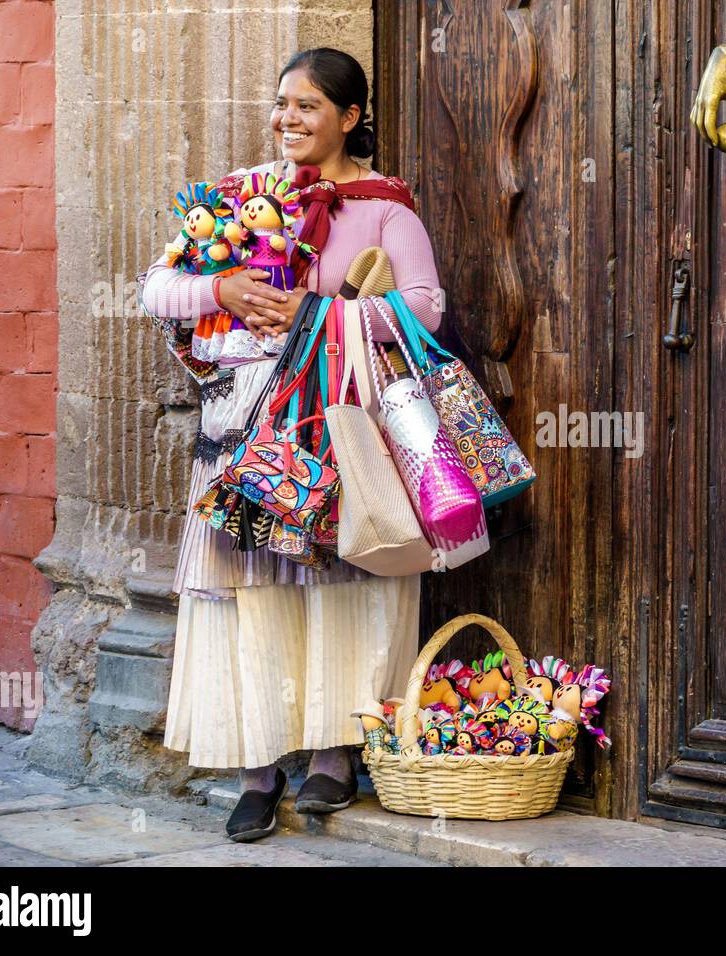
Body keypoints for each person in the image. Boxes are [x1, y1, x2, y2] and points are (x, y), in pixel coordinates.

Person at [137, 47, 442, 841]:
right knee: (252, 593)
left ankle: (335, 753)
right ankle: (257, 765)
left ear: (348, 117)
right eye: (281, 104)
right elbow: (154, 289)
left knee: (338, 584)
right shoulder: (241, 197)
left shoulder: (383, 209)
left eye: (308, 106)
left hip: (332, 426)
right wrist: (220, 289)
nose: (288, 120)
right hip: (242, 431)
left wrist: (318, 311)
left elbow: (426, 310)